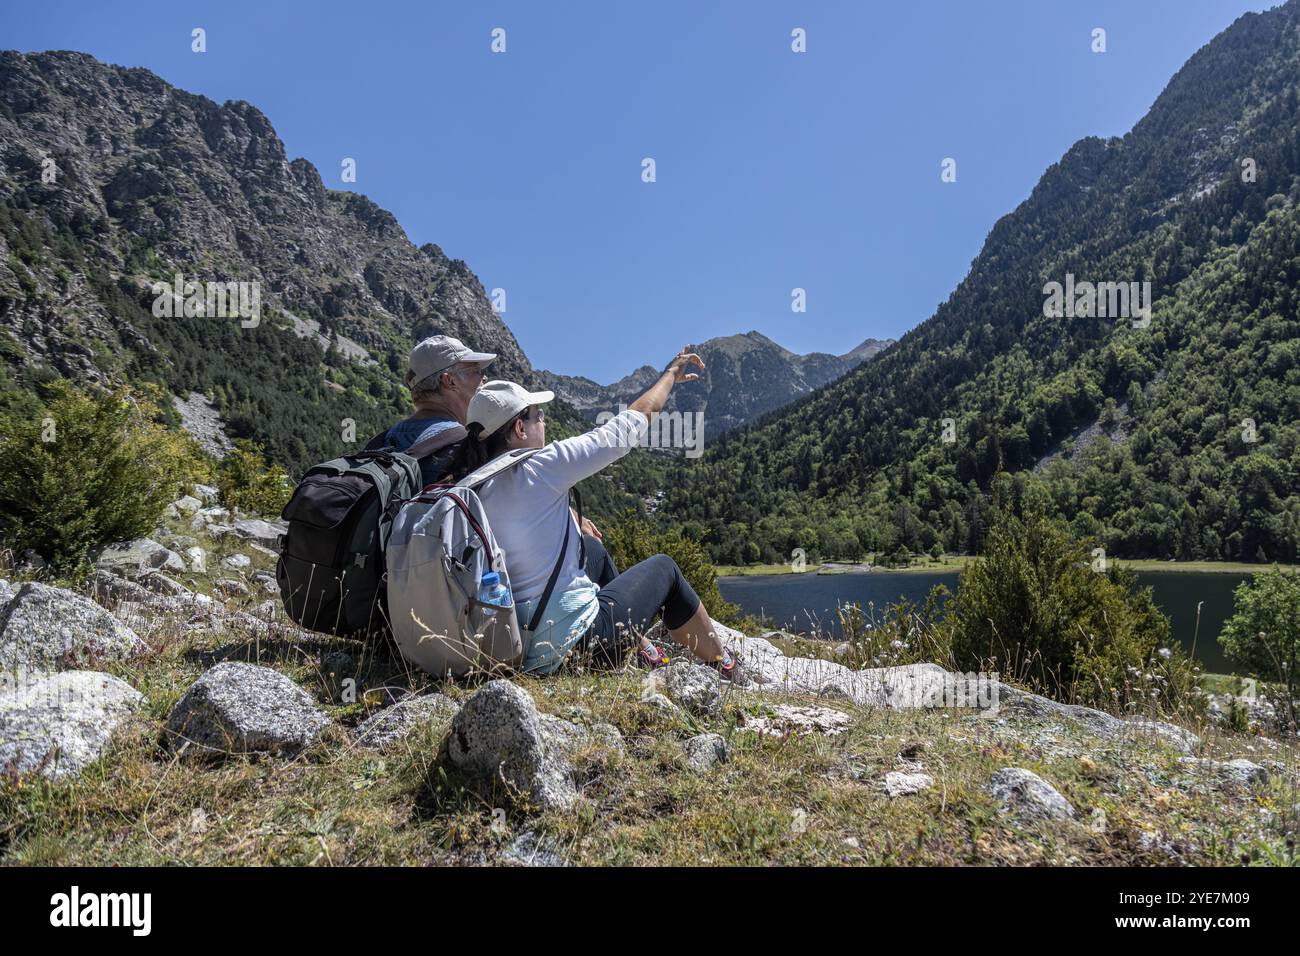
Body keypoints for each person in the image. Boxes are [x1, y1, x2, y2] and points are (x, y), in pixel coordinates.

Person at [446, 349, 744, 681]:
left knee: (594, 551)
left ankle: (644, 651)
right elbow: (626, 427)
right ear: (519, 428)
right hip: (581, 647)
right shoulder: (542, 466)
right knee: (665, 569)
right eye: (538, 416)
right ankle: (724, 667)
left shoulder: (471, 488)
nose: (544, 421)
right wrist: (670, 375)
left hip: (516, 645)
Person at [364, 334, 496, 486]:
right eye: (476, 370)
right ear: (450, 381)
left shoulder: (379, 442)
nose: (484, 378)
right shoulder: (465, 446)